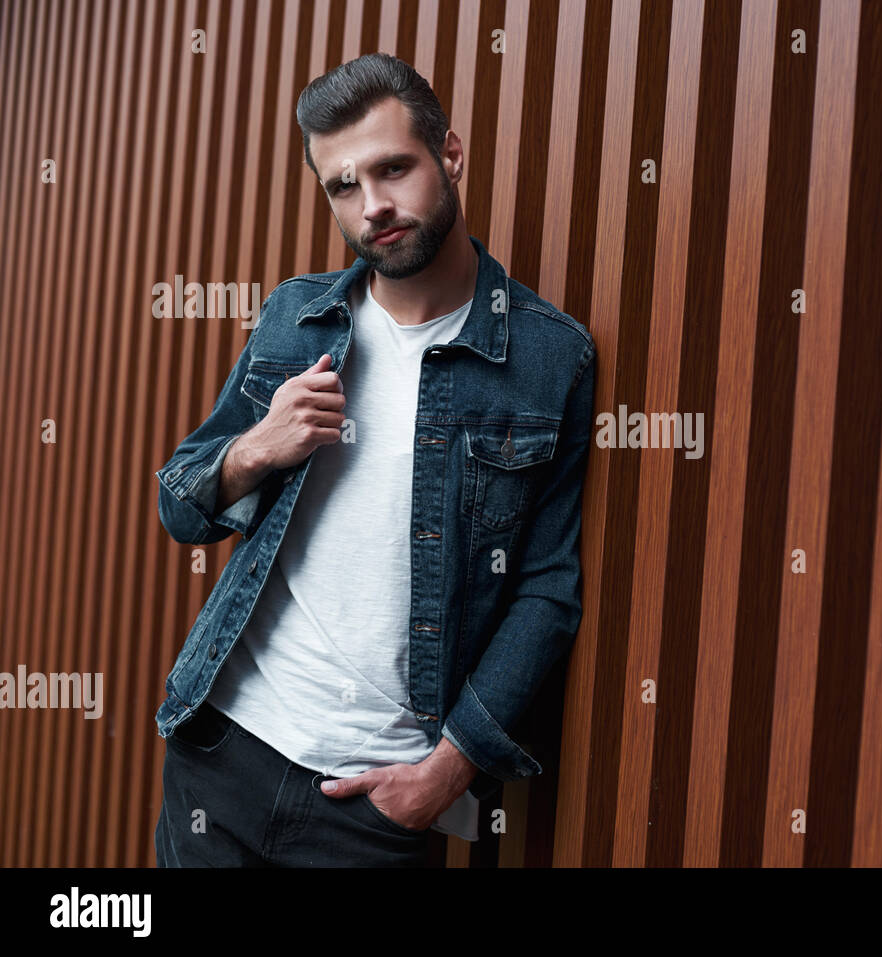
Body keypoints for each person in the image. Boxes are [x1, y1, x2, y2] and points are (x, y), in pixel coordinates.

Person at [153, 53, 596, 867]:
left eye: (394, 168)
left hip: (373, 809)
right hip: (225, 754)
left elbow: (547, 588)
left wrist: (445, 771)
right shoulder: (298, 317)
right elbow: (180, 504)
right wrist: (256, 447)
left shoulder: (547, 357)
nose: (374, 207)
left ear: (451, 156)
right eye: (343, 186)